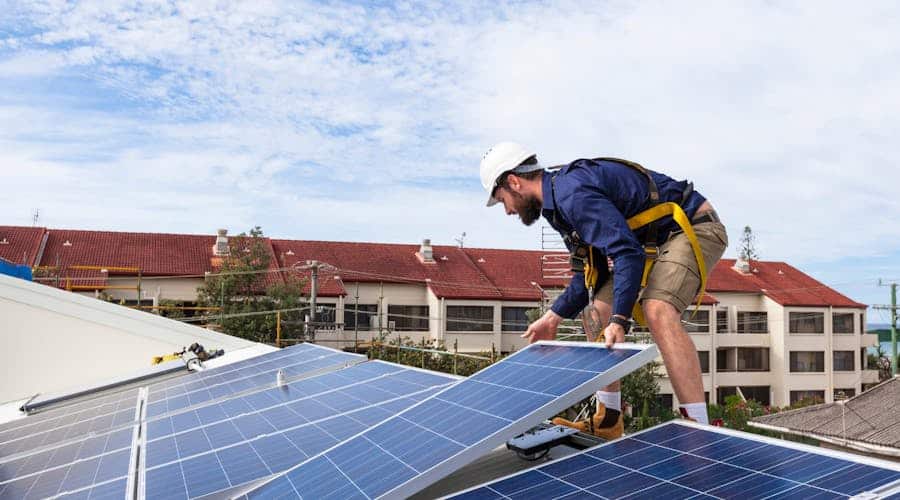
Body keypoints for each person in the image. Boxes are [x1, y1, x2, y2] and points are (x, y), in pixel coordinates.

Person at [480, 142, 727, 438]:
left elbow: (627, 254)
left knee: (657, 309)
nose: (507, 210)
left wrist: (619, 320)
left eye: (502, 199)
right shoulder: (557, 206)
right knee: (595, 312)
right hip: (650, 242)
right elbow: (588, 277)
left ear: (514, 182)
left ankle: (698, 431)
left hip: (693, 226)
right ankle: (609, 420)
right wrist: (553, 318)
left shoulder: (572, 194)